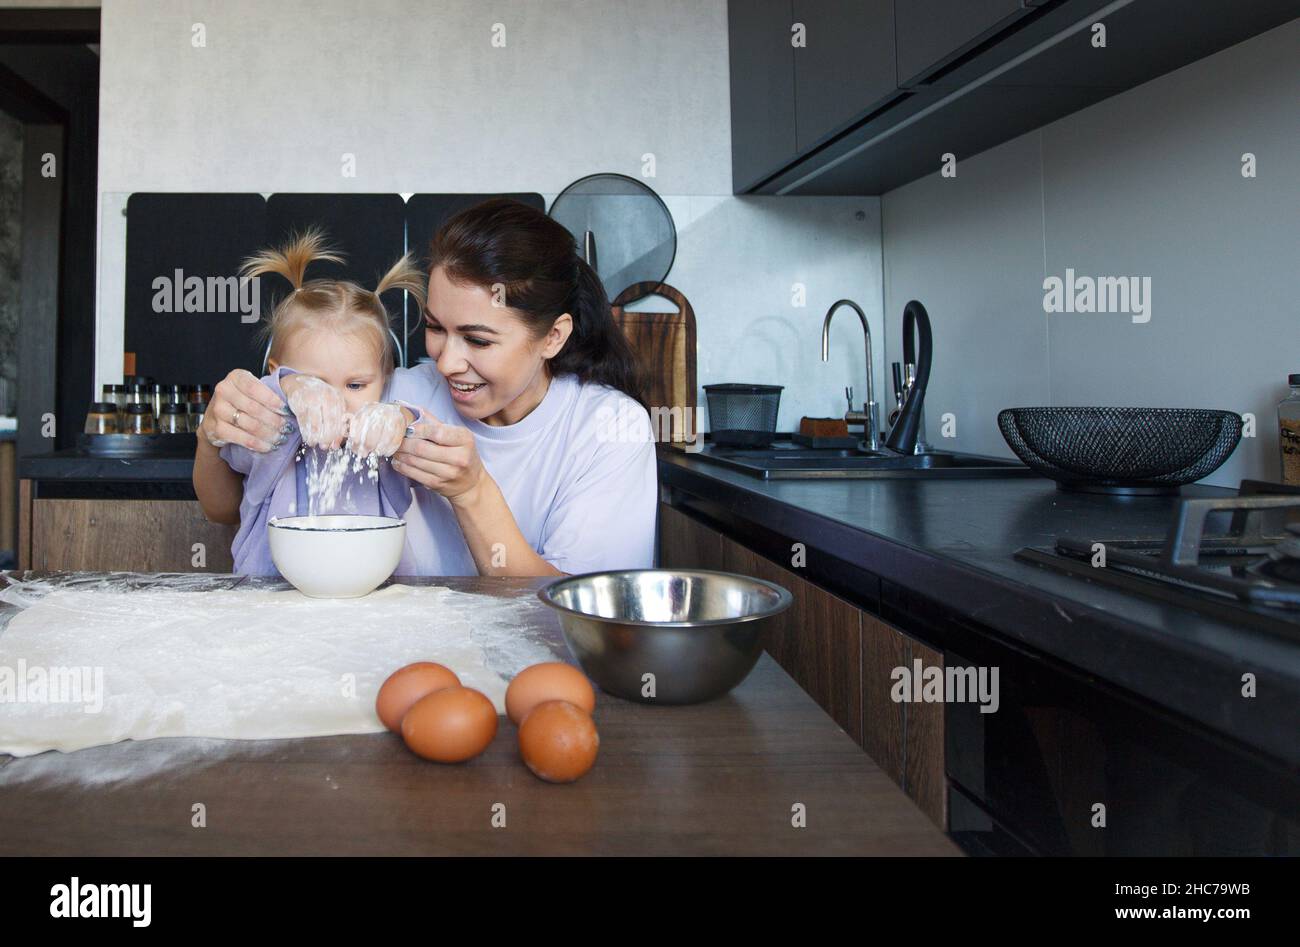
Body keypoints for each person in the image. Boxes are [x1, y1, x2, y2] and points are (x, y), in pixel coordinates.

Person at [195, 198, 659, 577]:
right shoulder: (389, 393)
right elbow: (240, 502)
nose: (448, 362)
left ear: (552, 336)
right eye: (436, 327)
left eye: (478, 339)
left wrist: (472, 491)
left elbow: (579, 616)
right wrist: (225, 423)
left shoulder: (609, 430)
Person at [192, 229, 425, 574]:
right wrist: (290, 387)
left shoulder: (379, 443)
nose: (337, 402)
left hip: (373, 599)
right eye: (316, 383)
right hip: (267, 599)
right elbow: (260, 402)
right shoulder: (272, 426)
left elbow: (423, 431)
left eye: (356, 384)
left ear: (385, 380)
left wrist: (400, 419)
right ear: (280, 372)